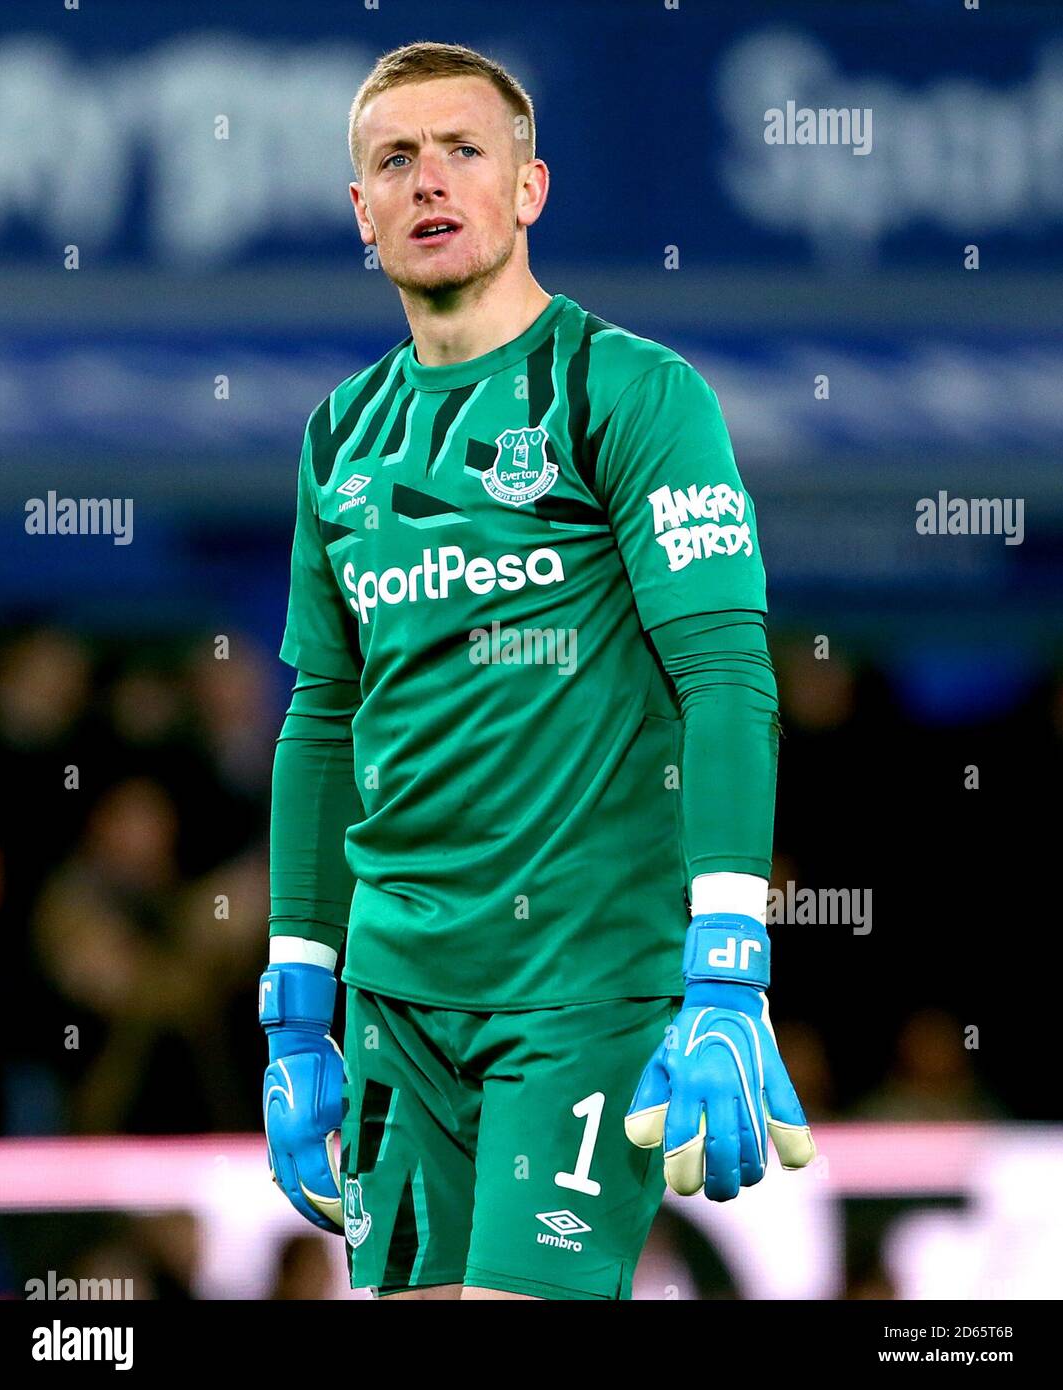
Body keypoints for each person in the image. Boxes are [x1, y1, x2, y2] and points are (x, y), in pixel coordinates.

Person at [259, 40, 814, 1303]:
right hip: (396, 993)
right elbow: (322, 717)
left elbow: (727, 673)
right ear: (362, 211)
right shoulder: (339, 434)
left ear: (530, 189)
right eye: (394, 159)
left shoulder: (629, 393)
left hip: (579, 982)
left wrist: (729, 961)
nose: (428, 179)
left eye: (464, 150)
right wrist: (297, 996)